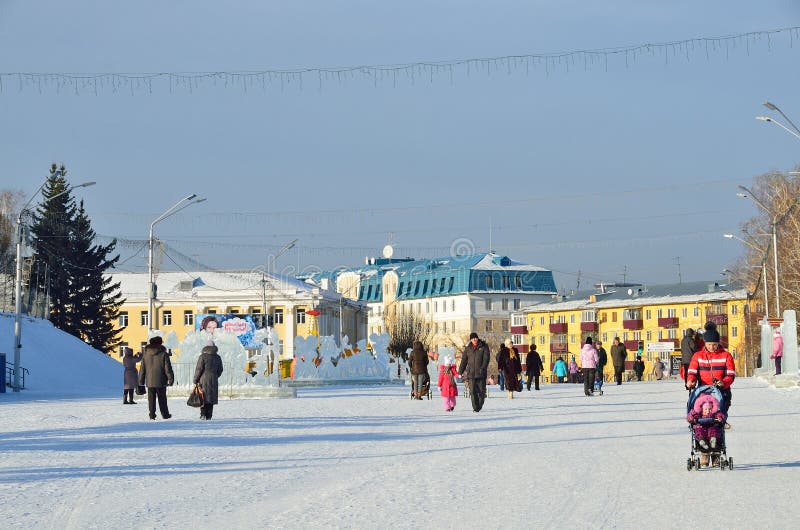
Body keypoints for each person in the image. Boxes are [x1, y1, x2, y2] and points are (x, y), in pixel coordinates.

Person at [687, 322, 736, 415]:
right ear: (705, 343)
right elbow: (692, 372)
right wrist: (691, 380)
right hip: (702, 391)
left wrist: (724, 382)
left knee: (718, 417)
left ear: (718, 343)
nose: (711, 347)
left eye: (714, 344)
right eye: (709, 344)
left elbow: (731, 374)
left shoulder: (726, 356)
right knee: (701, 416)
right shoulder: (698, 356)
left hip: (721, 391)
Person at [138, 336, 174, 420]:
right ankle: (165, 414)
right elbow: (167, 368)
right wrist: (170, 379)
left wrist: (141, 381)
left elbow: (142, 369)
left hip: (150, 381)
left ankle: (152, 415)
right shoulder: (163, 354)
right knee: (162, 399)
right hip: (161, 380)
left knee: (151, 400)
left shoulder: (146, 354)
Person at [686, 393, 727, 467]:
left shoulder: (715, 413)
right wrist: (691, 418)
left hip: (712, 426)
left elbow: (721, 415)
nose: (708, 411)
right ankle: (702, 441)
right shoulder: (697, 413)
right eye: (706, 409)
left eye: (710, 409)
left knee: (713, 429)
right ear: (701, 408)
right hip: (701, 427)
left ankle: (713, 439)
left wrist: (720, 418)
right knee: (699, 430)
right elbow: (689, 417)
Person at [458, 332, 491, 412]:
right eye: (473, 338)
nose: (474, 339)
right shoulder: (468, 348)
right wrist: (460, 372)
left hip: (481, 373)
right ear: (471, 340)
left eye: (475, 338)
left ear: (477, 338)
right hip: (471, 373)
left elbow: (486, 359)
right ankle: (475, 408)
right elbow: (464, 361)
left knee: (482, 392)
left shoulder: (484, 346)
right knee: (472, 392)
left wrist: (483, 368)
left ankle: (479, 405)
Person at [194, 340, 224, 420]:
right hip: (213, 379)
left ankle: (203, 414)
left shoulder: (202, 356)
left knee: (202, 396)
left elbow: (199, 369)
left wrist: (195, 380)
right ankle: (209, 415)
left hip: (203, 379)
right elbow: (220, 369)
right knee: (211, 397)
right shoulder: (218, 357)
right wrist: (215, 376)